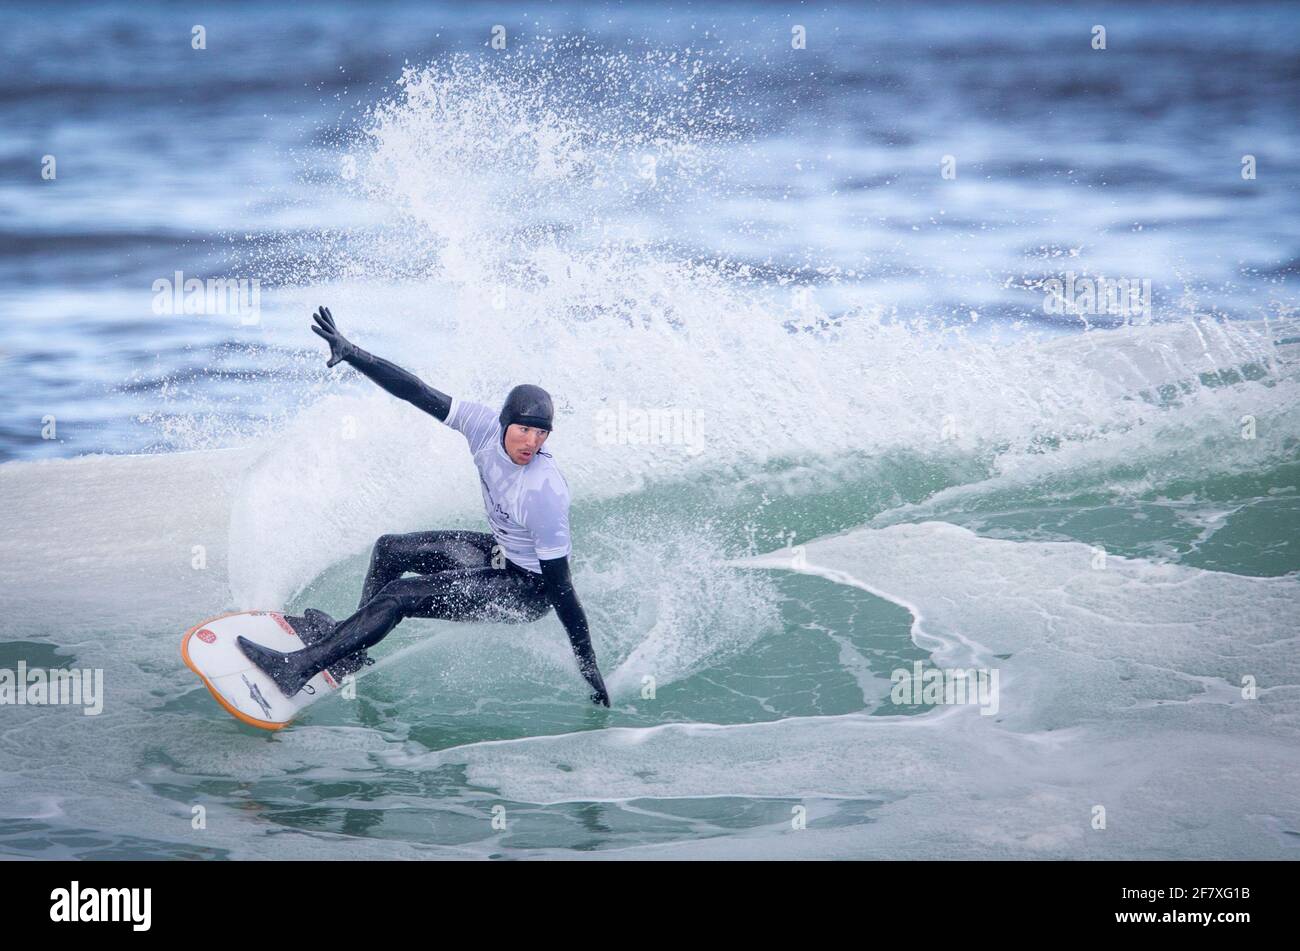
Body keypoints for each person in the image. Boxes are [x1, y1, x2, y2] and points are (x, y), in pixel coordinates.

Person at [235, 306, 610, 707]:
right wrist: (354, 353)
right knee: (390, 550)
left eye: (541, 434)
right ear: (503, 423)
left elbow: (562, 589)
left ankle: (296, 668)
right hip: (502, 555)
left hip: (524, 591)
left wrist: (589, 668)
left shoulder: (544, 493)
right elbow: (417, 392)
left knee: (401, 596)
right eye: (524, 430)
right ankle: (351, 649)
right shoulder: (482, 425)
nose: (531, 443)